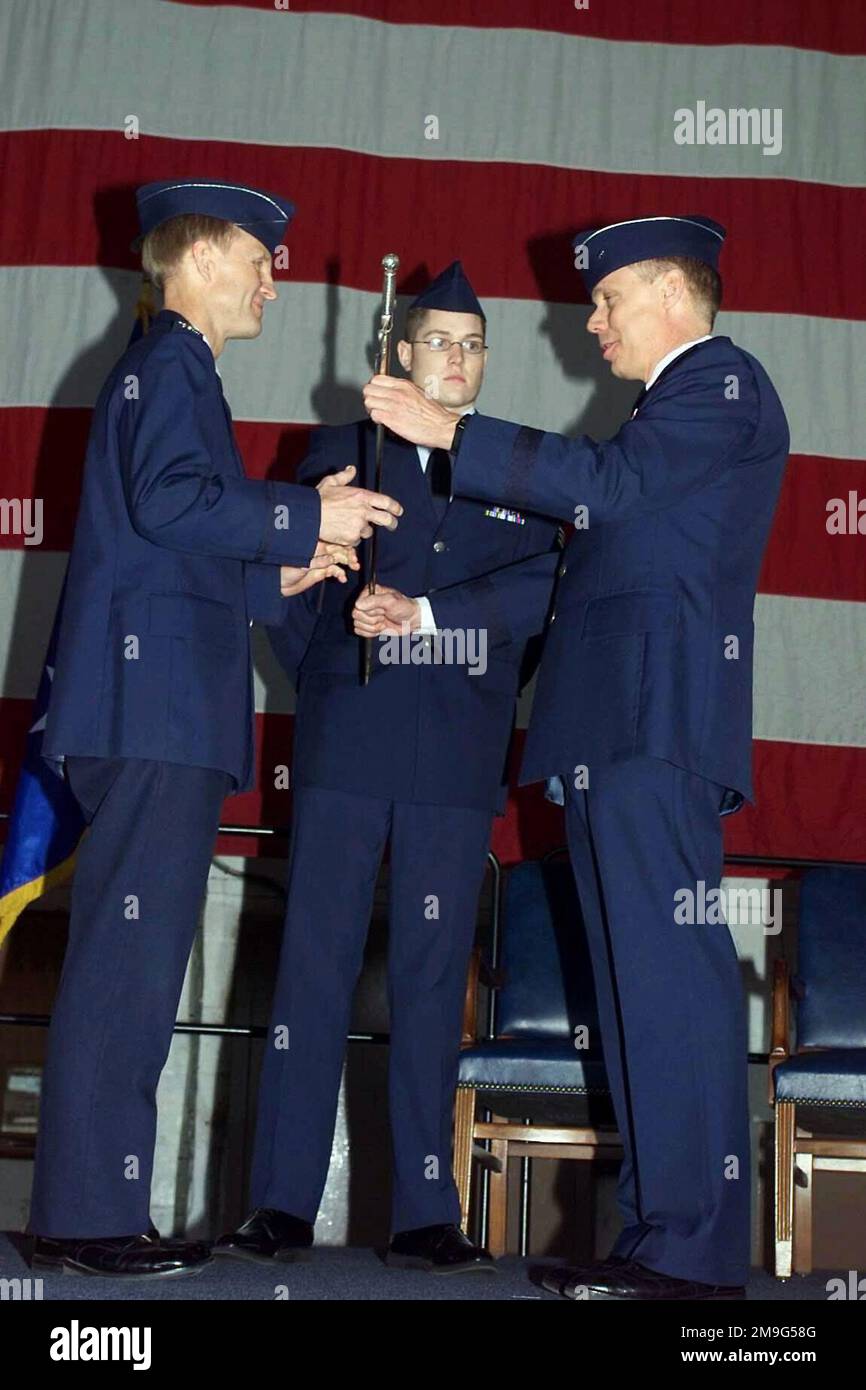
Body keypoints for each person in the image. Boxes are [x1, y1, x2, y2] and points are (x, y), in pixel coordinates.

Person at [362, 217, 790, 1300]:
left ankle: (689, 1249)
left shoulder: (720, 385)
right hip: (616, 731)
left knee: (668, 985)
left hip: (656, 727)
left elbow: (615, 487)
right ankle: (659, 1237)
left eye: (604, 300)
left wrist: (452, 431)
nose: (589, 322)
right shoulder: (663, 410)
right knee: (634, 986)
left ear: (665, 291)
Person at [28, 178, 402, 1279]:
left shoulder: (171, 367)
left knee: (130, 966)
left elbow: (171, 539)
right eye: (258, 258)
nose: (272, 282)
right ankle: (90, 1218)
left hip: (155, 707)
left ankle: (88, 1206)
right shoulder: (171, 364)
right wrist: (306, 512)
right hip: (152, 713)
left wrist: (280, 560)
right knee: (127, 969)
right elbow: (171, 502)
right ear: (195, 259)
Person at [215, 262, 560, 1274]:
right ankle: (277, 1201)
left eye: (472, 345)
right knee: (310, 971)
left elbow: (535, 612)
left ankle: (423, 1212)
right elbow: (286, 603)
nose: (455, 359)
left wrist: (428, 637)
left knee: (426, 981)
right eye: (438, 341)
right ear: (398, 352)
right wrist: (335, 665)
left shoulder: (512, 470)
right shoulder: (338, 454)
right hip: (346, 744)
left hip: (454, 759)